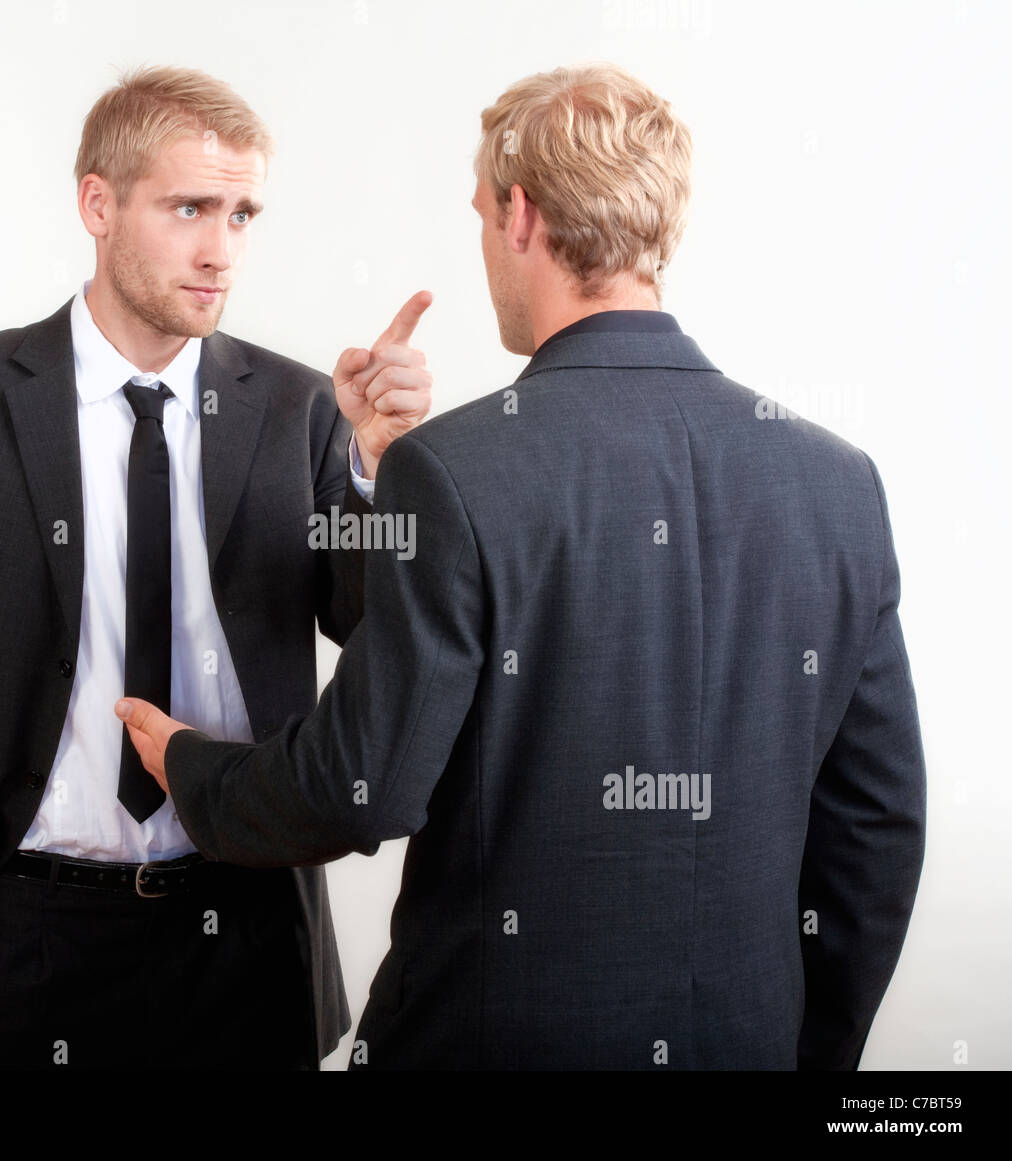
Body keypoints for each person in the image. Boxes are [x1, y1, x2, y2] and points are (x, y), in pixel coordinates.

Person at [119, 62, 927, 1070]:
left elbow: (359, 787)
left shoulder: (456, 471)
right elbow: (876, 826)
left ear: (519, 215)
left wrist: (190, 765)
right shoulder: (837, 482)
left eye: (479, 215)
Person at [0, 65, 432, 1069]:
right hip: (25, 933)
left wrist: (372, 468)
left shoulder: (299, 409)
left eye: (241, 214)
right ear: (96, 204)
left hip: (245, 934)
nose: (218, 250)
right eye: (188, 207)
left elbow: (366, 622)